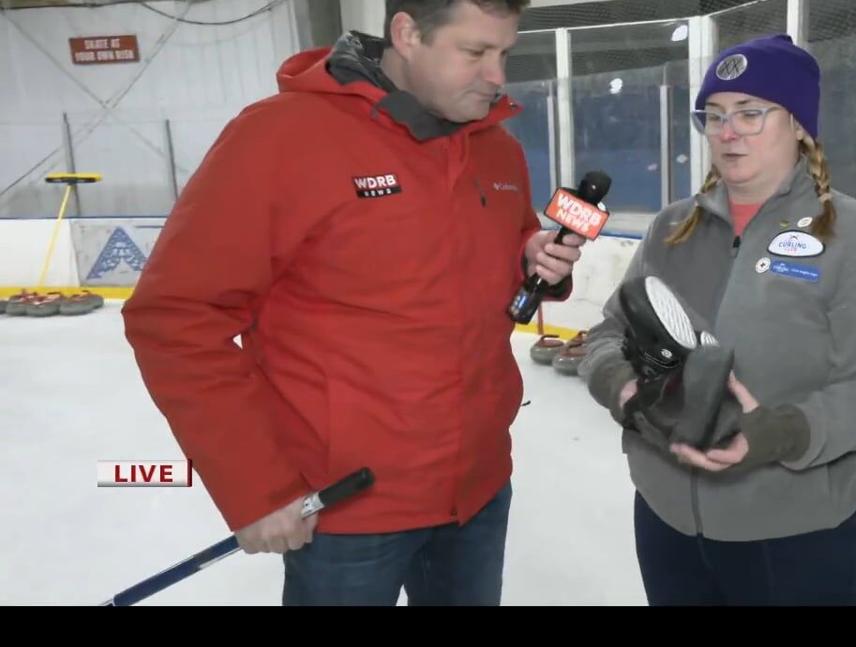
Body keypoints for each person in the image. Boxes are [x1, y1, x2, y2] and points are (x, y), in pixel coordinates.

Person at [122, 0, 586, 606]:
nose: (497, 76)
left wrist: (529, 261)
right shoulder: (278, 139)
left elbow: (461, 281)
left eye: (504, 53)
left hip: (477, 491)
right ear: (408, 33)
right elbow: (176, 318)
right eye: (474, 53)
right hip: (344, 509)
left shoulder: (497, 150)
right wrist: (256, 488)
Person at [580, 34, 856, 606]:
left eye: (750, 113)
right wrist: (626, 390)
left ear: (799, 125)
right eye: (713, 116)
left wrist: (779, 432)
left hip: (802, 533)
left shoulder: (854, 234)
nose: (727, 131)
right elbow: (607, 335)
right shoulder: (671, 227)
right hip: (668, 520)